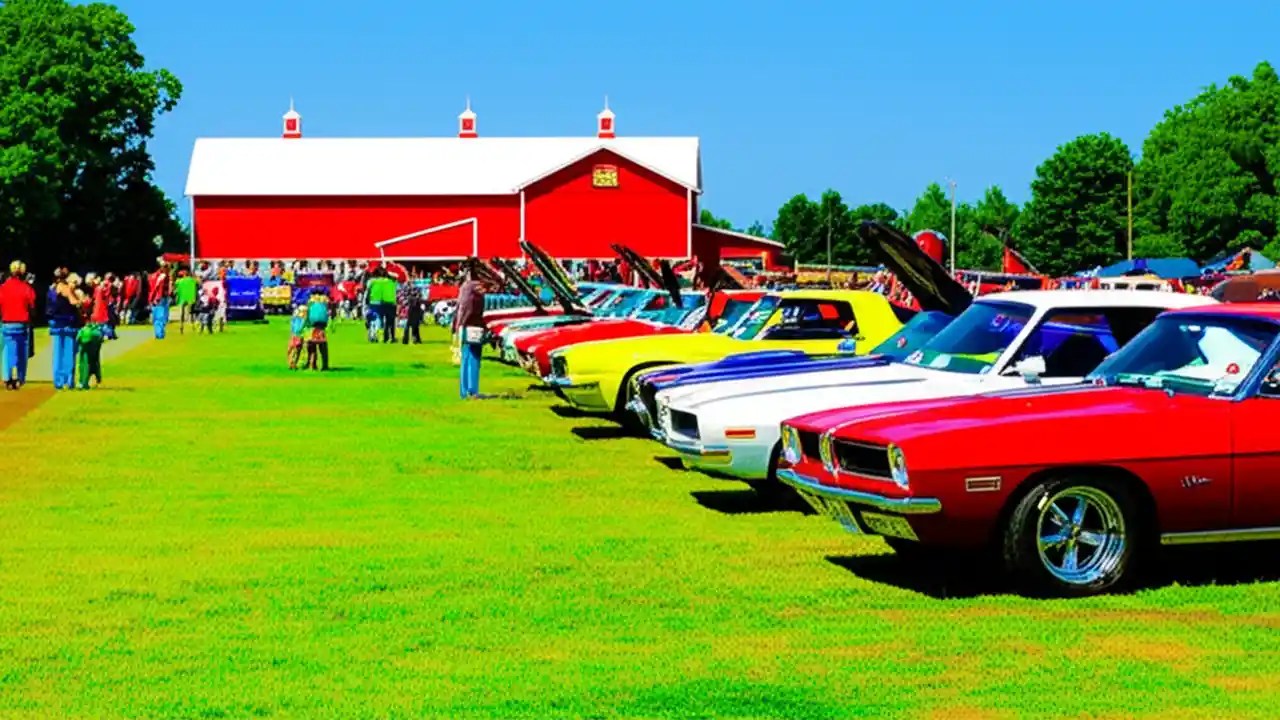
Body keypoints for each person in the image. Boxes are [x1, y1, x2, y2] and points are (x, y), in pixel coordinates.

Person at [0, 260, 36, 390]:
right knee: (22, 353)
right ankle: (20, 378)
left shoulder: (3, 288)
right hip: (22, 323)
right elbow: (32, 307)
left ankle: (7, 377)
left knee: (8, 351)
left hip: (7, 323)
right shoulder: (26, 288)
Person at [454, 268, 488, 399]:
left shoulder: (464, 288)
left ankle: (464, 391)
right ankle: (473, 390)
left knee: (466, 358)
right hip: (475, 324)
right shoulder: (477, 289)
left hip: (463, 325)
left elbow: (459, 309)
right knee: (474, 358)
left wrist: (456, 327)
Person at [47, 271, 82, 390]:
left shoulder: (52, 290)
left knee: (57, 354)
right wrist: (80, 301)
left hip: (56, 324)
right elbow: (74, 302)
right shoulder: (66, 289)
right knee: (69, 353)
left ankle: (58, 381)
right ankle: (68, 380)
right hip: (68, 324)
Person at [367, 268, 398, 343]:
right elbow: (396, 277)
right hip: (390, 302)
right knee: (390, 321)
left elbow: (368, 289)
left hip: (375, 302)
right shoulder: (392, 282)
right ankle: (390, 337)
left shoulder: (372, 282)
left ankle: (374, 334)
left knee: (375, 319)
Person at [304, 290, 330, 370]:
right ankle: (325, 365)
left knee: (312, 346)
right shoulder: (325, 302)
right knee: (323, 347)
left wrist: (306, 325)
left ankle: (312, 364)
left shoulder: (310, 302)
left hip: (313, 326)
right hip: (322, 326)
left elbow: (307, 315)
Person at [148, 260, 171, 339]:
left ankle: (158, 333)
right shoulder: (162, 276)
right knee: (161, 317)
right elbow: (157, 288)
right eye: (167, 267)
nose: (169, 269)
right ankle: (160, 334)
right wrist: (156, 297)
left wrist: (151, 298)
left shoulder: (152, 276)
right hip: (160, 298)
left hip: (157, 298)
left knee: (157, 317)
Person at [173, 269, 197, 333]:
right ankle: (193, 326)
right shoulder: (191, 280)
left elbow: (175, 288)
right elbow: (197, 283)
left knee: (182, 313)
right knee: (191, 313)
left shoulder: (178, 281)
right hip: (190, 298)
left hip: (182, 299)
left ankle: (181, 326)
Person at [287, 305, 306, 370]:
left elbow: (301, 328)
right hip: (294, 336)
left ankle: (293, 363)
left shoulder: (303, 320)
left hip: (299, 336)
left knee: (296, 351)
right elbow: (292, 326)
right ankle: (291, 363)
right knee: (290, 350)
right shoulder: (295, 318)